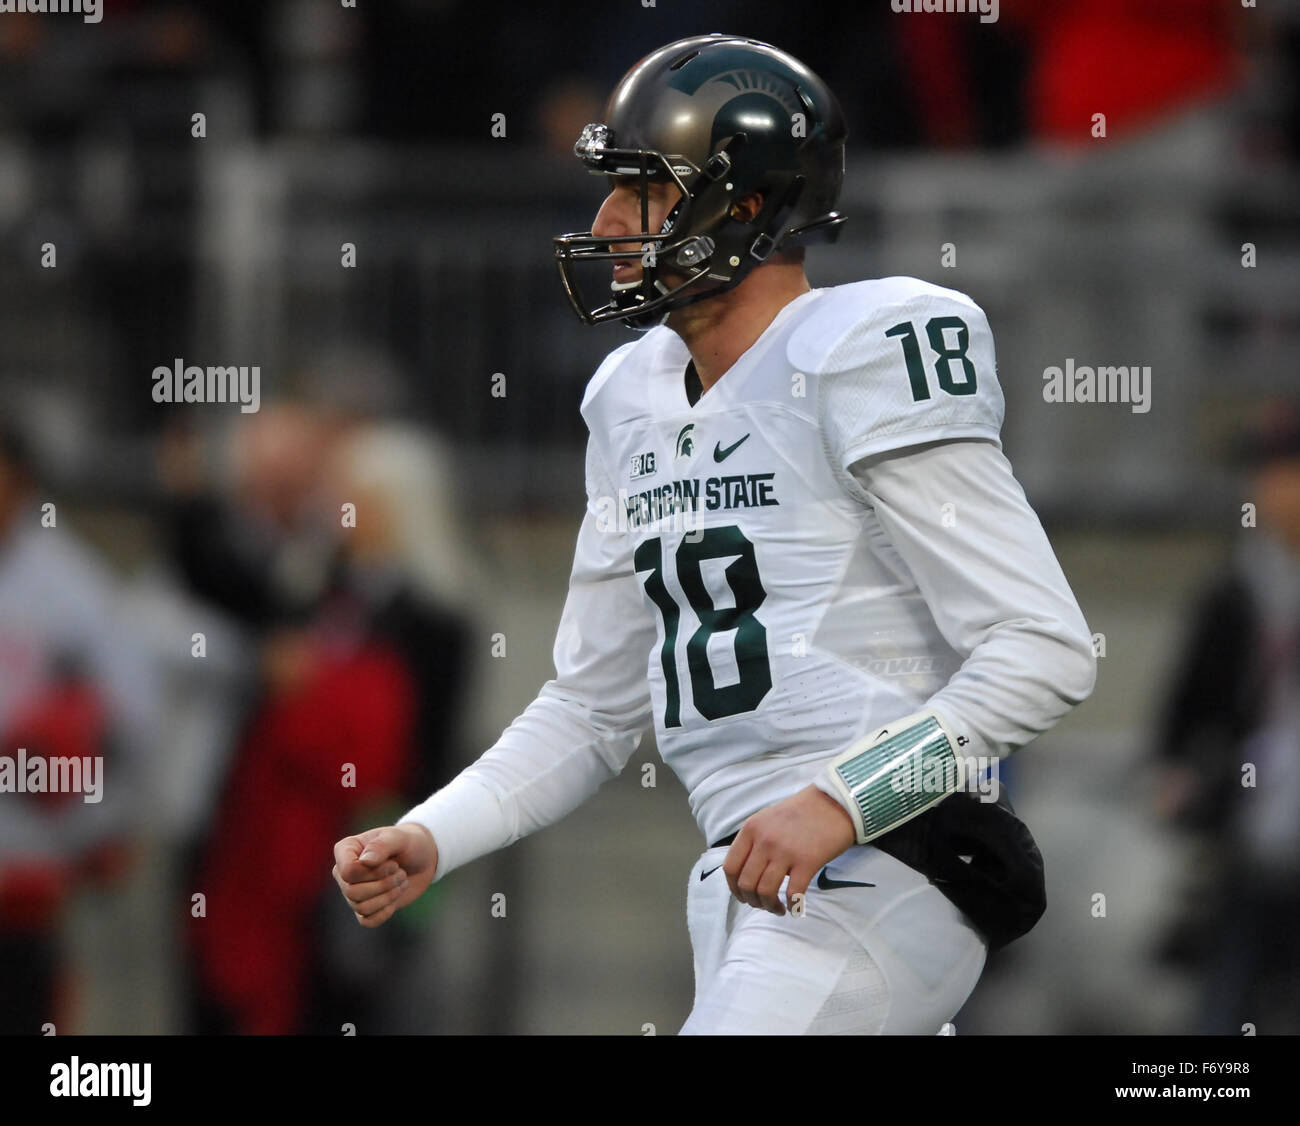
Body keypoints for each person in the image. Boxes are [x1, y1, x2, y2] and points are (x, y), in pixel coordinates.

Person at [333, 33, 1096, 1035]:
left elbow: (1041, 649)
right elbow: (595, 707)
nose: (605, 221)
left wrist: (840, 801)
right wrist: (436, 830)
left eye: (641, 193)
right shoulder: (630, 394)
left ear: (742, 207)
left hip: (882, 855)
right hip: (742, 877)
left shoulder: (863, 344)